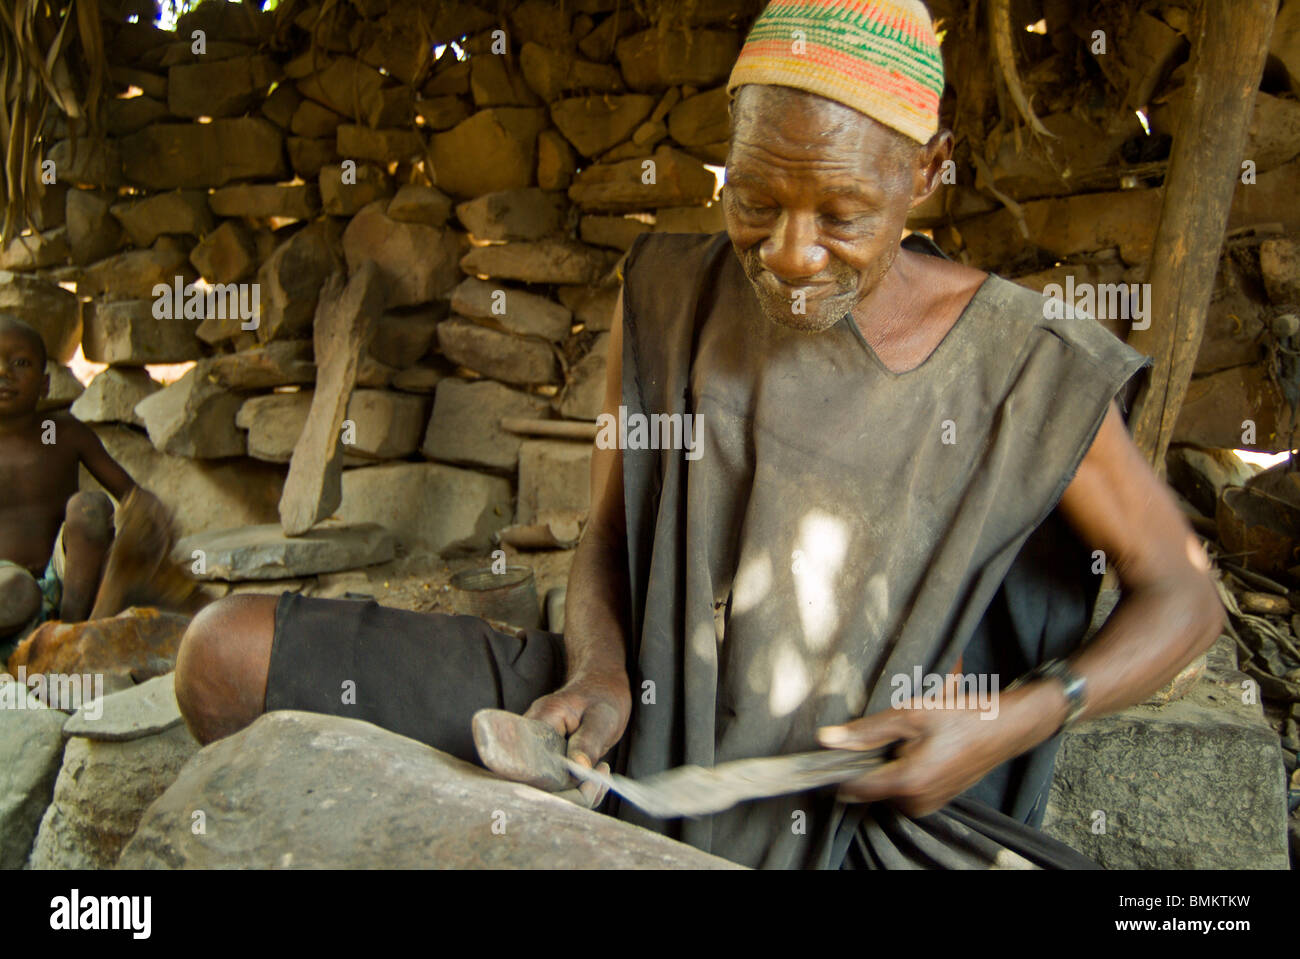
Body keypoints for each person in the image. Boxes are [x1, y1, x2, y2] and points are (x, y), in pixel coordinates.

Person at [174, 0, 1224, 869]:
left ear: (928, 173)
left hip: (856, 809)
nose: (792, 253)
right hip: (633, 735)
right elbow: (609, 532)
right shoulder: (667, 289)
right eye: (756, 201)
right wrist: (593, 671)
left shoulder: (1027, 362)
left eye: (842, 213)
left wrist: (1011, 720)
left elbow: (1183, 594)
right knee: (226, 655)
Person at [0, 315, 164, 660]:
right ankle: (40, 645)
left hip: (71, 575)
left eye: (20, 363)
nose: (4, 373)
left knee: (88, 507)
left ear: (45, 385)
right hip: (6, 587)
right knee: (16, 592)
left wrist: (150, 516)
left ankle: (70, 634)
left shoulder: (60, 433)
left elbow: (131, 496)